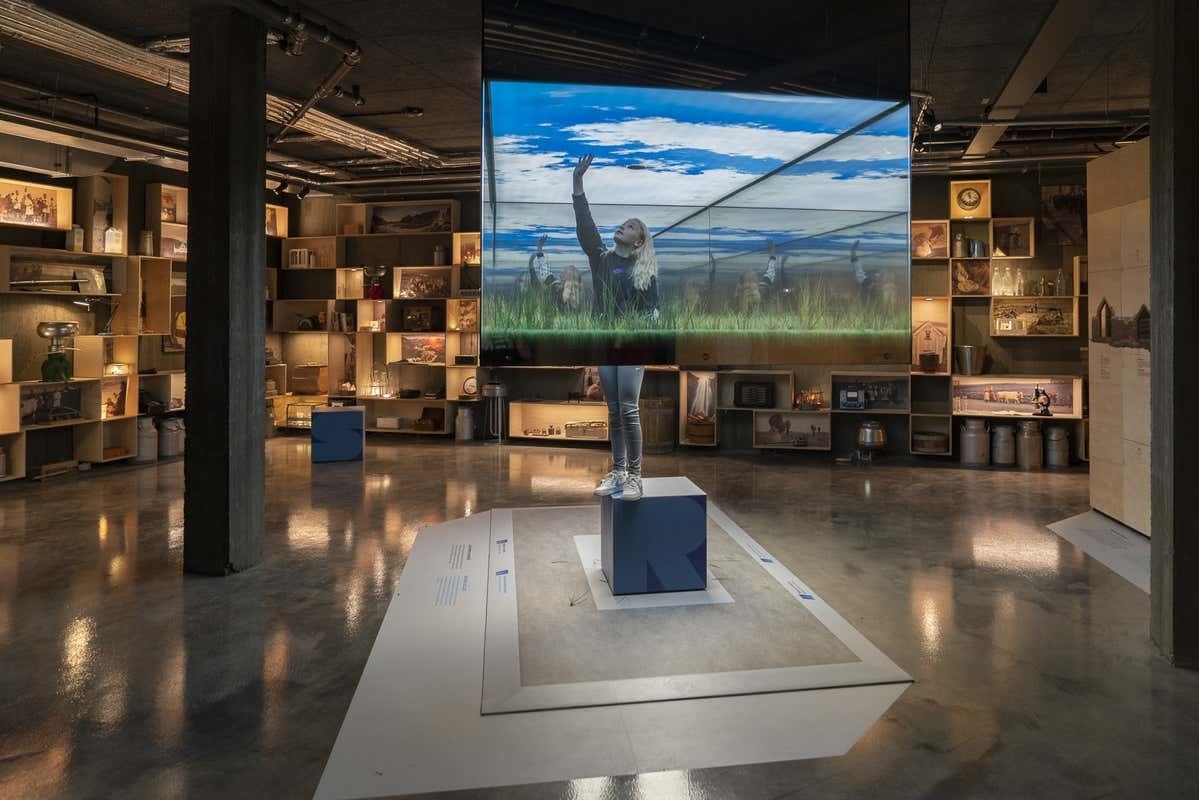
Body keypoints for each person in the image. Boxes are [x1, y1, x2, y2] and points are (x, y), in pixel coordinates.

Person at [572, 153, 659, 502]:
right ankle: (619, 471)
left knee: (628, 408)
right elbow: (586, 226)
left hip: (632, 347)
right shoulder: (602, 259)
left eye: (632, 225)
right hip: (605, 343)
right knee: (613, 410)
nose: (625, 225)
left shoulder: (645, 272)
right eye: (625, 223)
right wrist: (578, 183)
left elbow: (654, 312)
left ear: (639, 241)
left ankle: (635, 476)